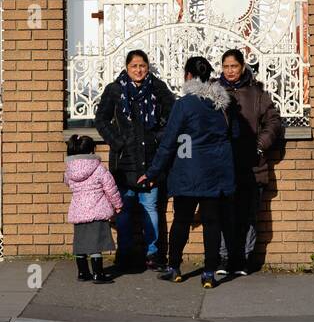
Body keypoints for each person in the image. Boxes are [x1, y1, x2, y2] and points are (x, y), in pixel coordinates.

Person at [142, 55, 235, 288]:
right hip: (215, 173)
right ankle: (209, 274)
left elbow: (169, 142)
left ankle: (174, 268)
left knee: (181, 220)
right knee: (212, 222)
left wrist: (152, 172)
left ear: (188, 76)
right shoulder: (221, 106)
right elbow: (231, 137)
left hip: (188, 173)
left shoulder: (184, 104)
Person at [94, 49, 175, 270]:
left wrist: (158, 137)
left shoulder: (158, 89)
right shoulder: (115, 90)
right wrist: (117, 142)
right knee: (124, 209)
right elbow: (101, 119)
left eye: (142, 66)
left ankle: (153, 254)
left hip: (150, 161)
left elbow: (173, 116)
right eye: (134, 66)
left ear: (147, 67)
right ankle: (125, 253)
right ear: (127, 67)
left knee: (151, 209)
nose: (138, 70)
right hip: (124, 162)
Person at [217, 49, 282, 276]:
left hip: (253, 165)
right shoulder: (214, 91)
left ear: (243, 67)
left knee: (249, 214)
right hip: (223, 165)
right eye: (226, 66)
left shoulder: (257, 93)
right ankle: (225, 258)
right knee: (224, 213)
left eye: (234, 66)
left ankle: (244, 258)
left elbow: (273, 122)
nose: (230, 71)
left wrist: (260, 144)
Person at [63, 135, 122, 284]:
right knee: (96, 245)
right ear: (91, 151)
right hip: (97, 210)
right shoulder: (99, 169)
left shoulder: (69, 170)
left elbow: (68, 184)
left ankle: (82, 272)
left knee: (80, 244)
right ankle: (98, 274)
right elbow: (111, 189)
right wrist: (118, 205)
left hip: (79, 212)